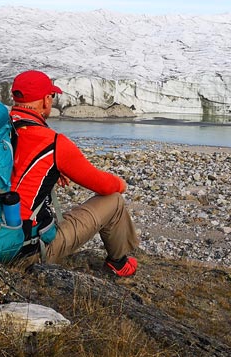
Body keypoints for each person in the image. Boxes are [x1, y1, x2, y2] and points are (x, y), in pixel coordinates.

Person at [9, 69, 140, 276]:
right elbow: (103, 185)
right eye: (51, 96)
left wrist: (53, 169)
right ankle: (119, 264)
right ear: (45, 100)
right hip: (24, 251)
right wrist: (121, 184)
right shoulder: (52, 142)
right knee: (114, 200)